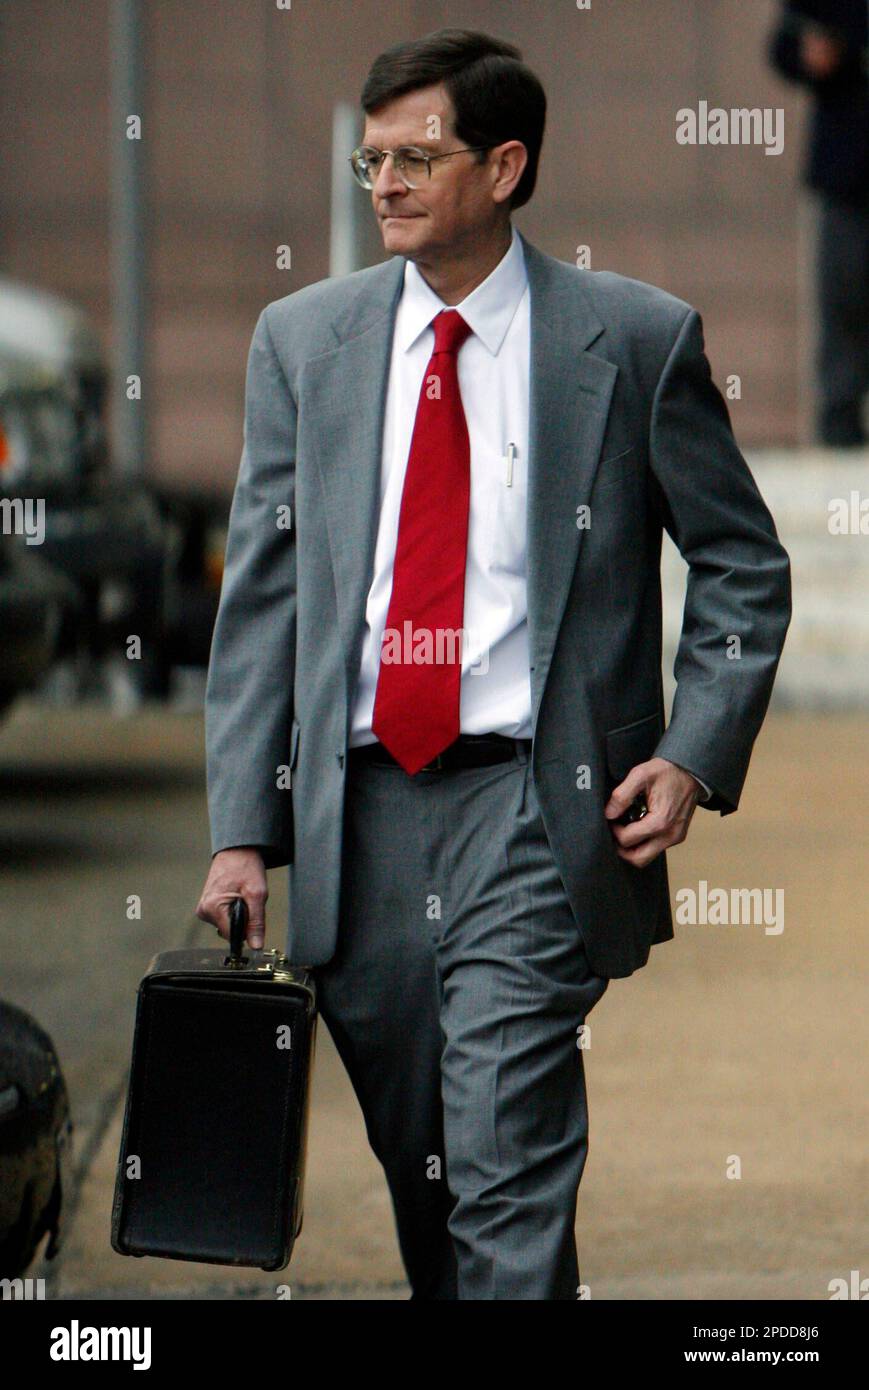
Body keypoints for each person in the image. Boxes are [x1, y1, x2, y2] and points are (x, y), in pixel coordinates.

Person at [196, 29, 792, 1300]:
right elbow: (259, 605)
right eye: (371, 163)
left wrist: (690, 753)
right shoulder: (304, 344)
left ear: (505, 166)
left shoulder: (631, 341)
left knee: (505, 1153)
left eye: (419, 156)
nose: (388, 185)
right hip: (358, 819)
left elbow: (742, 566)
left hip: (533, 807)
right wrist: (242, 831)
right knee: (433, 1173)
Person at [769, 0, 869, 446]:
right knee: (843, 294)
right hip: (846, 169)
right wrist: (814, 57)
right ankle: (840, 423)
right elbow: (785, 45)